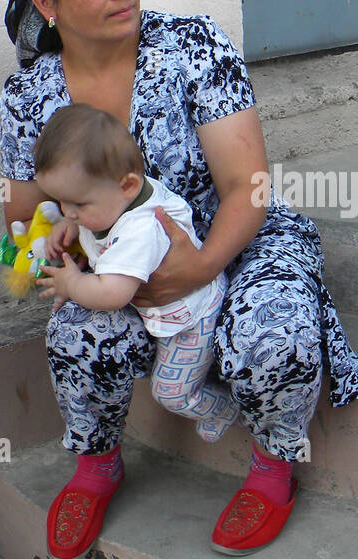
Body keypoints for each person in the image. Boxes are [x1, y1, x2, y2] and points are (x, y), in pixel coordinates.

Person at [0, 0, 358, 559]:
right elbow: (26, 217)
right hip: (121, 258)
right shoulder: (30, 95)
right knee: (75, 331)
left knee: (276, 332)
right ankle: (96, 466)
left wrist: (200, 266)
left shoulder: (190, 46)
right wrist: (63, 254)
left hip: (237, 236)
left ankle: (271, 469)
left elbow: (246, 187)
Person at [32, 103, 238, 449]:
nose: (68, 212)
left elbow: (113, 294)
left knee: (170, 392)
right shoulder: (113, 197)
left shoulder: (141, 229)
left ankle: (220, 407)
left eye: (77, 205)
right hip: (157, 310)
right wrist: (71, 224)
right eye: (61, 202)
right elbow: (92, 219)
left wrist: (73, 283)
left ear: (127, 186)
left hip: (189, 318)